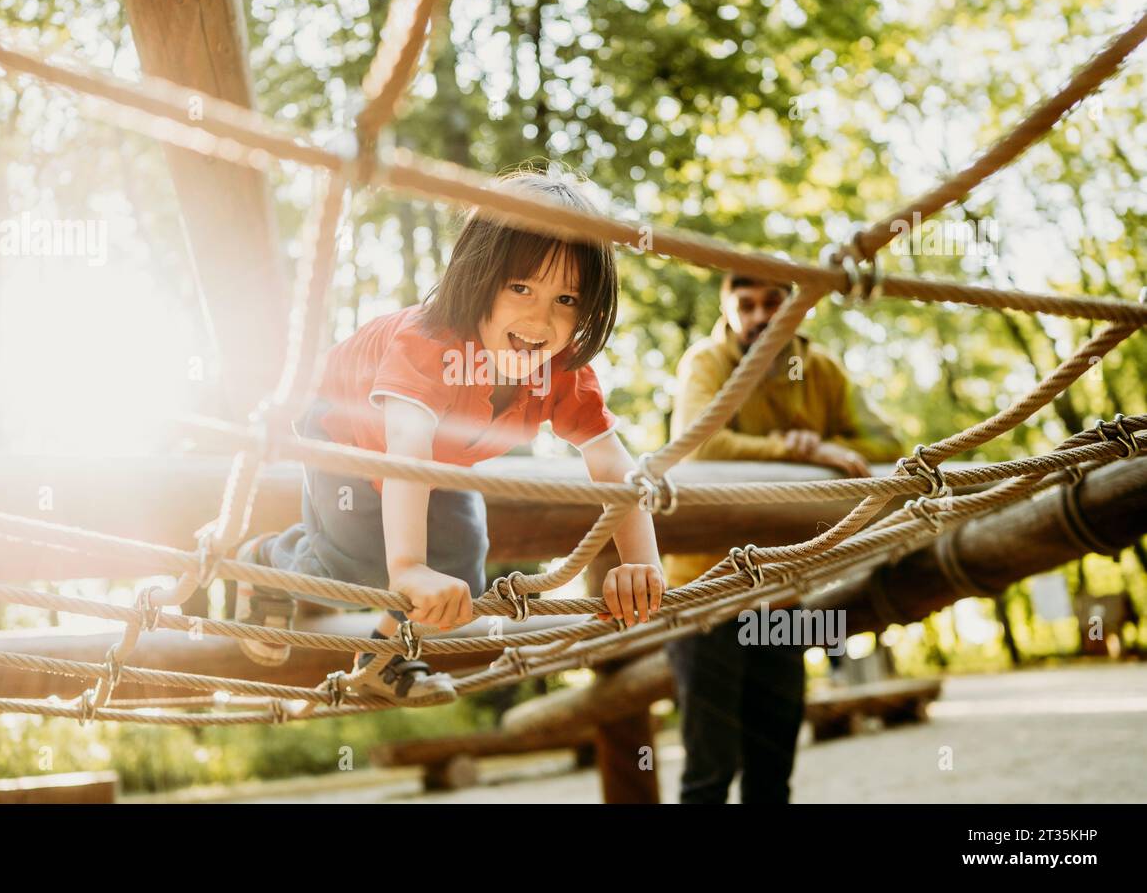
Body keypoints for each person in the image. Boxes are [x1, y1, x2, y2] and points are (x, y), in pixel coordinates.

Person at [235, 171, 666, 702]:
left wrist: (641, 563)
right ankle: (266, 559)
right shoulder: (429, 346)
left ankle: (386, 657)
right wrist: (409, 567)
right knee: (357, 567)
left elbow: (611, 463)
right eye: (521, 287)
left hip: (439, 459)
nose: (541, 317)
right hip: (346, 432)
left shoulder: (561, 370)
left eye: (567, 299)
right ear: (478, 275)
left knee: (464, 563)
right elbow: (407, 455)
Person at [663, 273, 902, 803]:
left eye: (772, 303)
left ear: (797, 308)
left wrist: (824, 442)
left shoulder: (820, 369)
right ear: (726, 309)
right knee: (710, 770)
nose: (759, 317)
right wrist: (799, 451)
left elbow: (888, 442)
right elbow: (698, 447)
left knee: (773, 770)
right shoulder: (706, 362)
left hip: (783, 594)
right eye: (745, 305)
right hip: (705, 594)